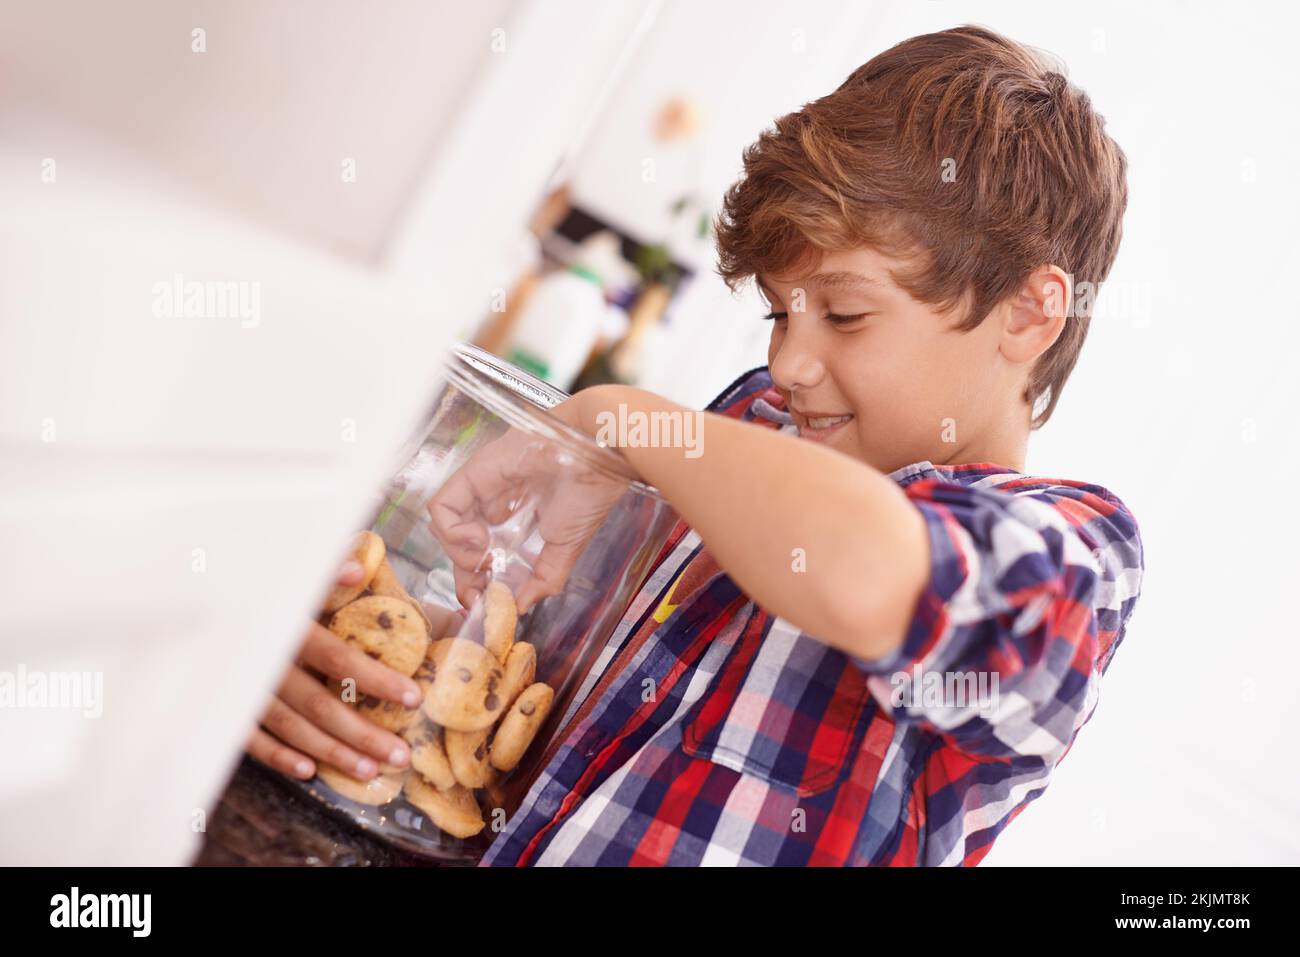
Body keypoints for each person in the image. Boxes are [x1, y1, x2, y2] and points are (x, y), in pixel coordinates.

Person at [255, 25, 1144, 866]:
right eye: (778, 313)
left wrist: (623, 418)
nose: (789, 362)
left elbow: (872, 567)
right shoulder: (751, 432)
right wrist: (366, 687)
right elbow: (555, 724)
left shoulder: (1075, 556)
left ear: (1029, 313)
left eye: (844, 312)